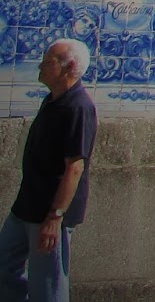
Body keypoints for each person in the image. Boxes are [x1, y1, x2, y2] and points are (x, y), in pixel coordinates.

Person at [0, 38, 98, 302]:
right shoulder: (53, 100)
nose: (41, 65)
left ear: (70, 67)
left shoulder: (79, 107)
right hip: (26, 206)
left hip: (49, 213)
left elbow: (75, 168)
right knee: (4, 267)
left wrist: (55, 217)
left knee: (47, 286)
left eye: (49, 61)